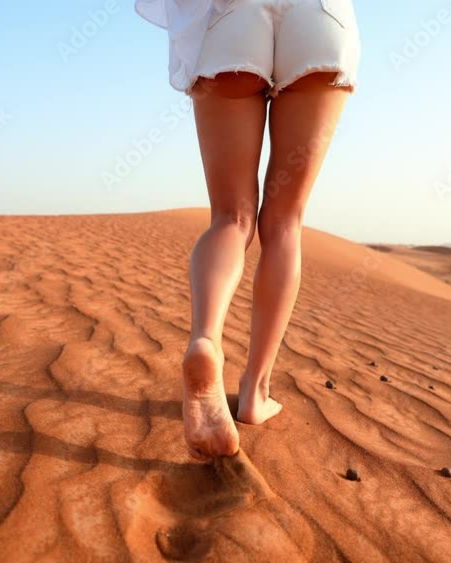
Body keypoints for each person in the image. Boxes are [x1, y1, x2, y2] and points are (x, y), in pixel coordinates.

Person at [136, 0, 360, 463]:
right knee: (284, 222)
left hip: (233, 17)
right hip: (320, 17)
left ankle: (205, 339)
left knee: (231, 218)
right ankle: (256, 392)